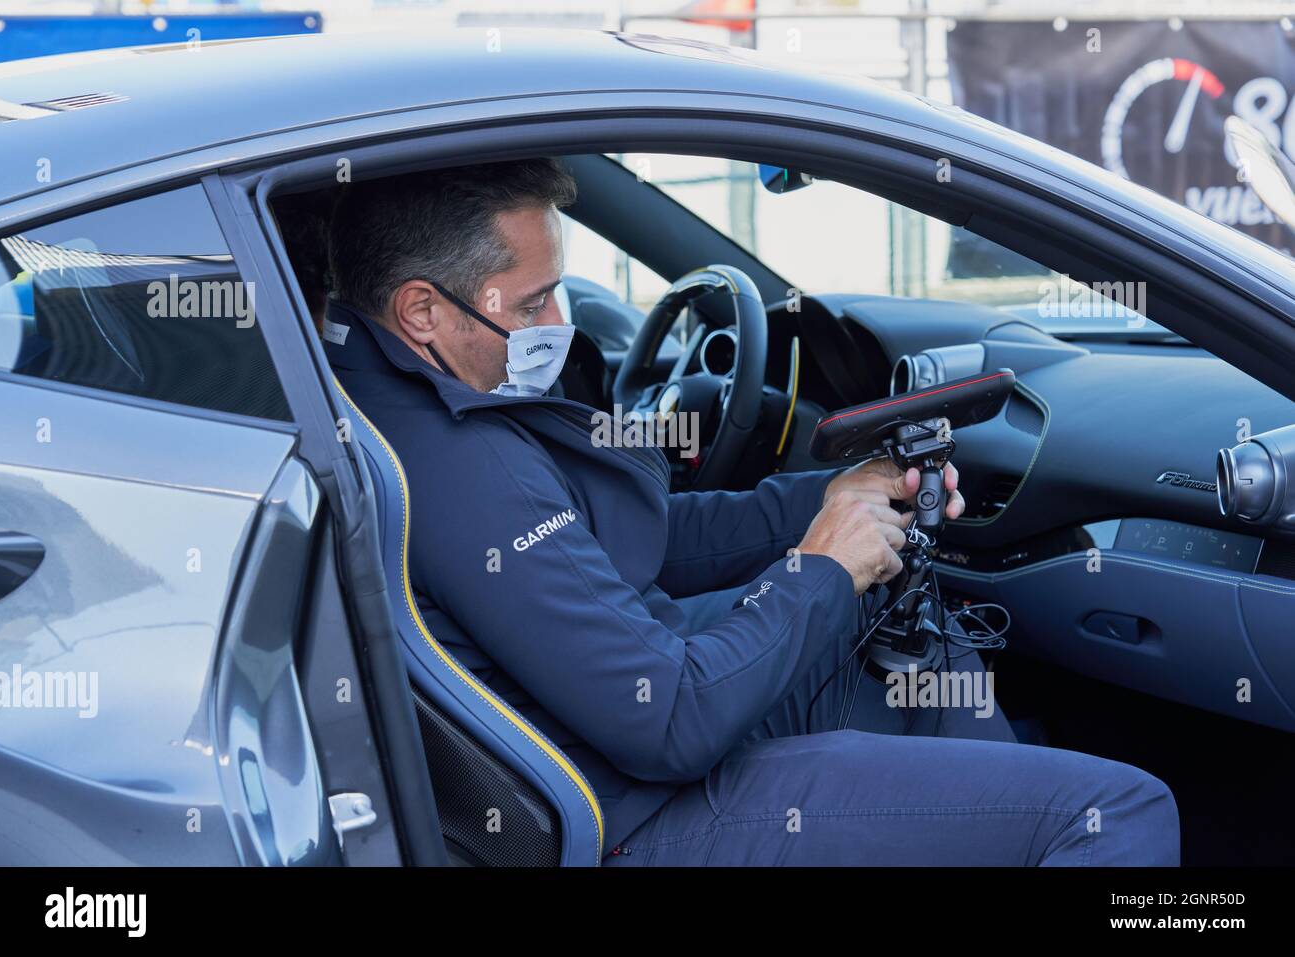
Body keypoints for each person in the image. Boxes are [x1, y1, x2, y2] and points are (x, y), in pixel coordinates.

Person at [321, 157, 1179, 865]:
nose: (560, 323)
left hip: (611, 744)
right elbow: (669, 721)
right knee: (1121, 811)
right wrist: (822, 568)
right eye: (535, 300)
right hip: (639, 816)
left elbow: (638, 548)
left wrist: (843, 496)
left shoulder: (397, 400)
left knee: (894, 615)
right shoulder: (466, 473)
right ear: (423, 310)